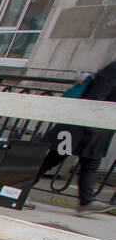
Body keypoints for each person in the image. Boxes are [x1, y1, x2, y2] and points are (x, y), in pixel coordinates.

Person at [38, 59, 116, 214]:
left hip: (96, 129)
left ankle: (87, 202)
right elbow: (96, 97)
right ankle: (18, 188)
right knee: (53, 158)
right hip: (82, 127)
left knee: (90, 164)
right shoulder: (113, 69)